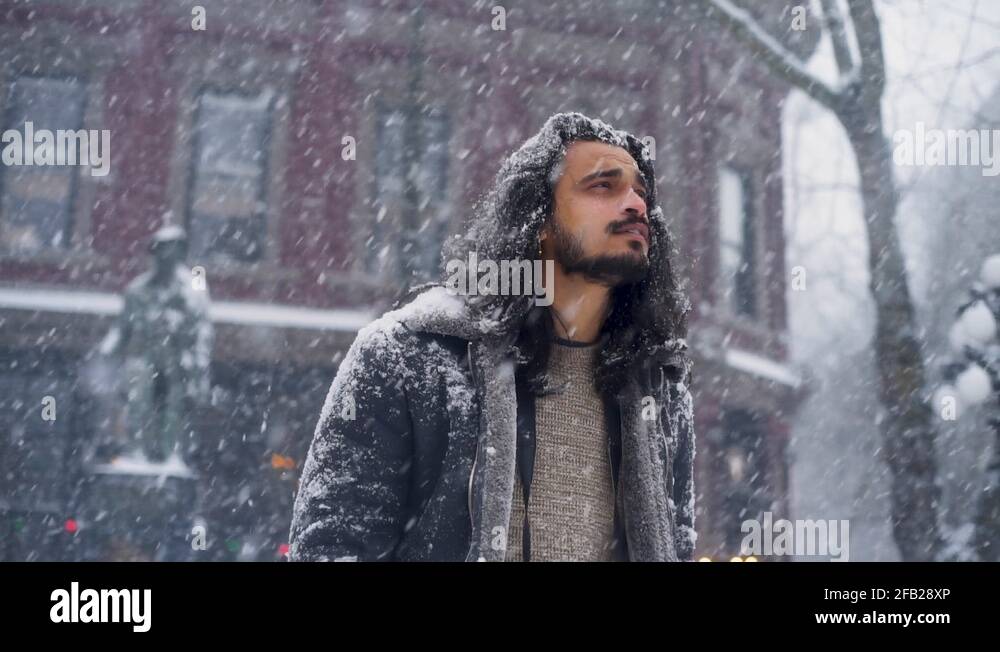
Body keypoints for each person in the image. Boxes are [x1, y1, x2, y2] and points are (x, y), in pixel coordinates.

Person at [289, 112, 695, 561]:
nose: (637, 205)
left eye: (641, 191)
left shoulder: (658, 392)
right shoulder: (406, 358)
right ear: (538, 220)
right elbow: (331, 550)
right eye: (604, 185)